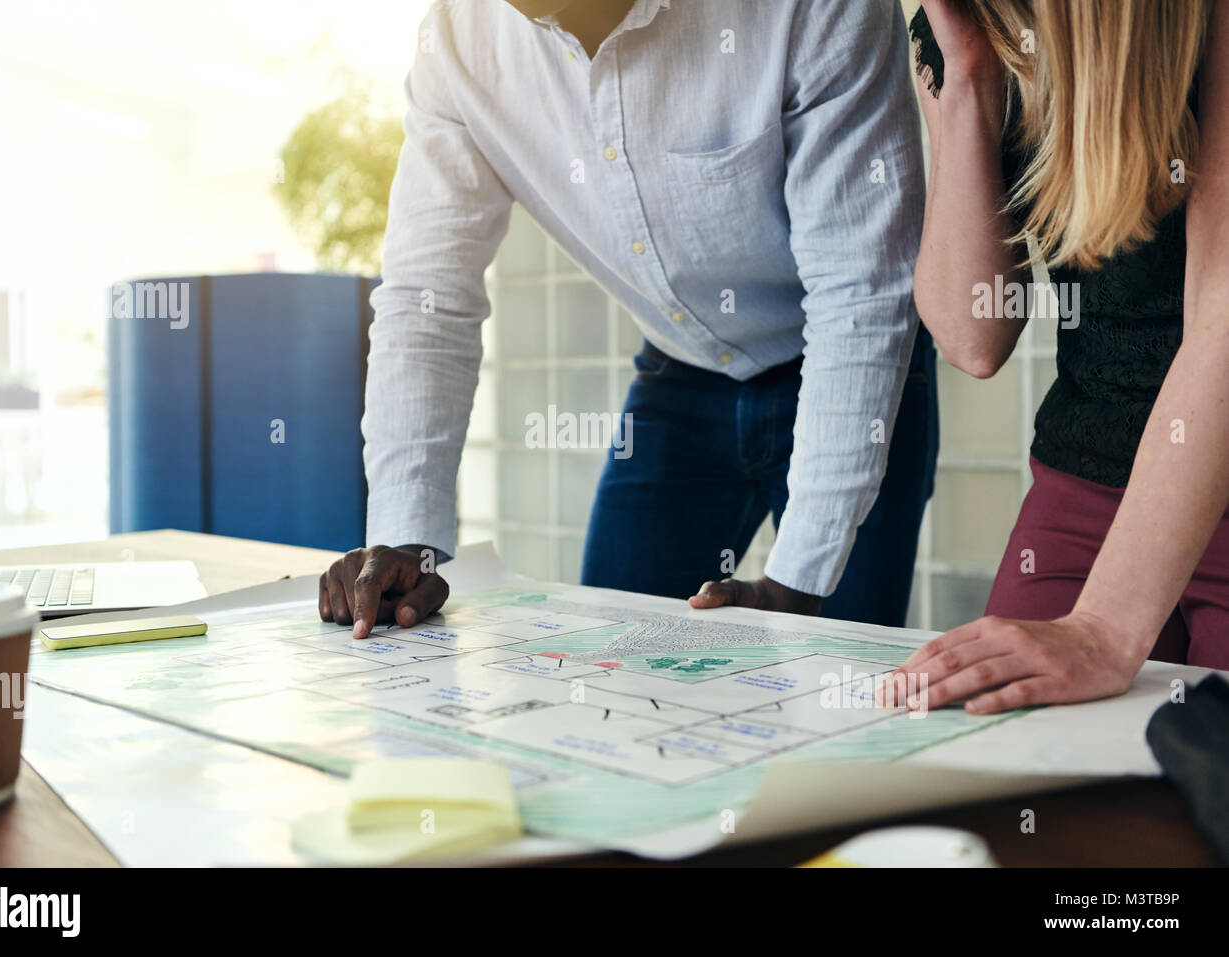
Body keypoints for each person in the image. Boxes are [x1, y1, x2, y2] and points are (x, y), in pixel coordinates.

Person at [319, 0, 938, 637]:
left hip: (847, 362)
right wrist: (407, 539)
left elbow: (859, 290)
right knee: (615, 652)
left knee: (844, 672)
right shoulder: (456, 41)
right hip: (683, 368)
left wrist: (801, 583)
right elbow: (428, 300)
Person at [885, 0, 1229, 715]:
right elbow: (972, 335)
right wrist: (969, 84)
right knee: (996, 752)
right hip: (1085, 474)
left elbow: (1221, 311)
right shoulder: (965, 21)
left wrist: (1103, 629)